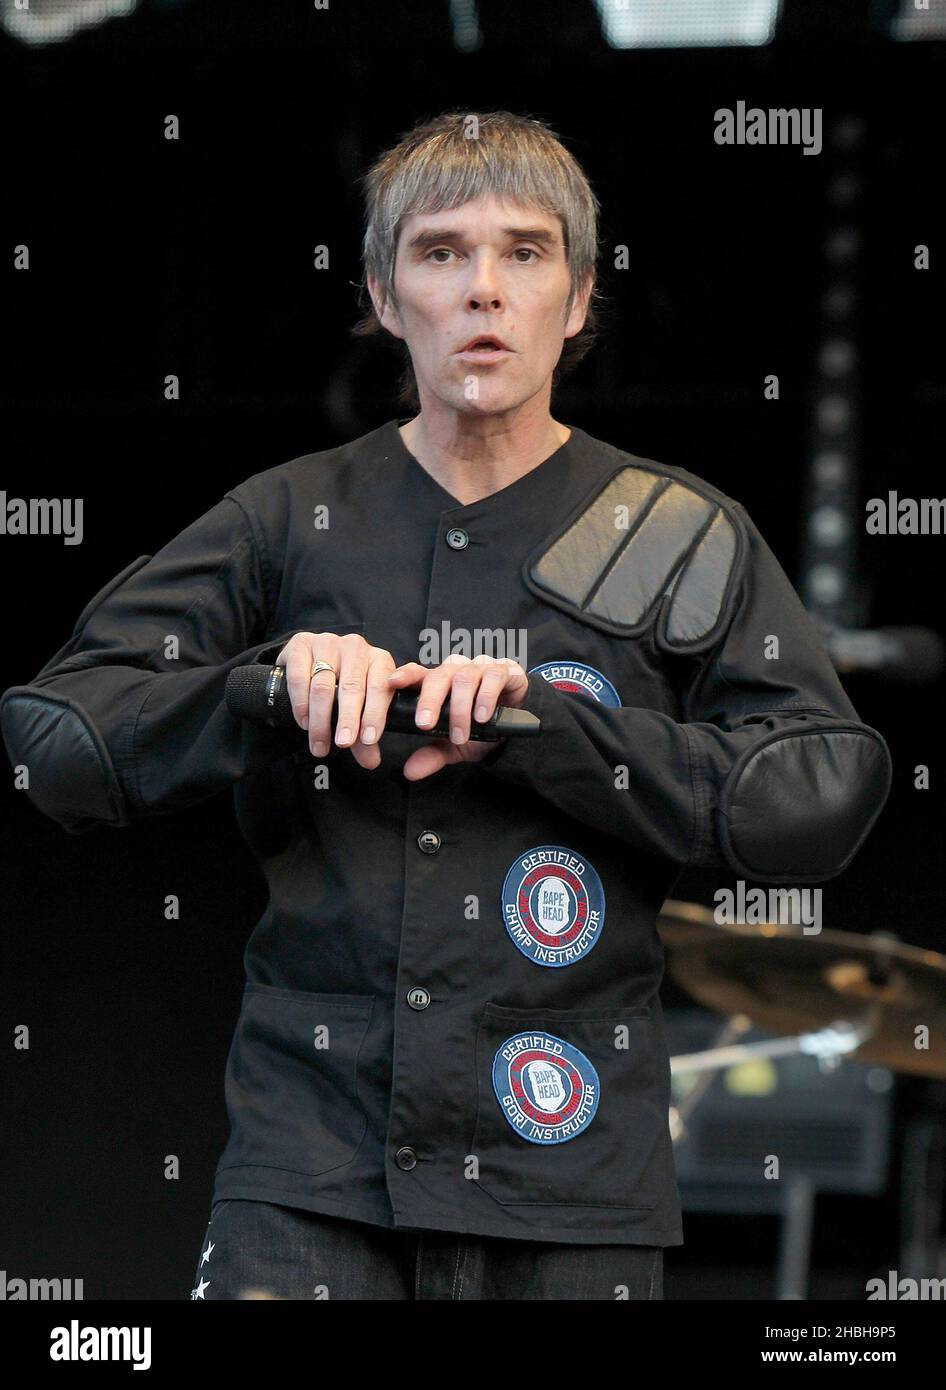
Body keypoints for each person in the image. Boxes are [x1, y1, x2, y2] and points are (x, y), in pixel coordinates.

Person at [0, 110, 892, 1301]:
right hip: (311, 1170)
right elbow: (58, 737)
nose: (484, 290)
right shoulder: (285, 515)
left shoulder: (676, 531)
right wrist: (269, 687)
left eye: (524, 254)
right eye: (440, 252)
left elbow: (823, 786)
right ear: (379, 294)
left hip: (573, 1175)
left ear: (577, 300)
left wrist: (547, 729)